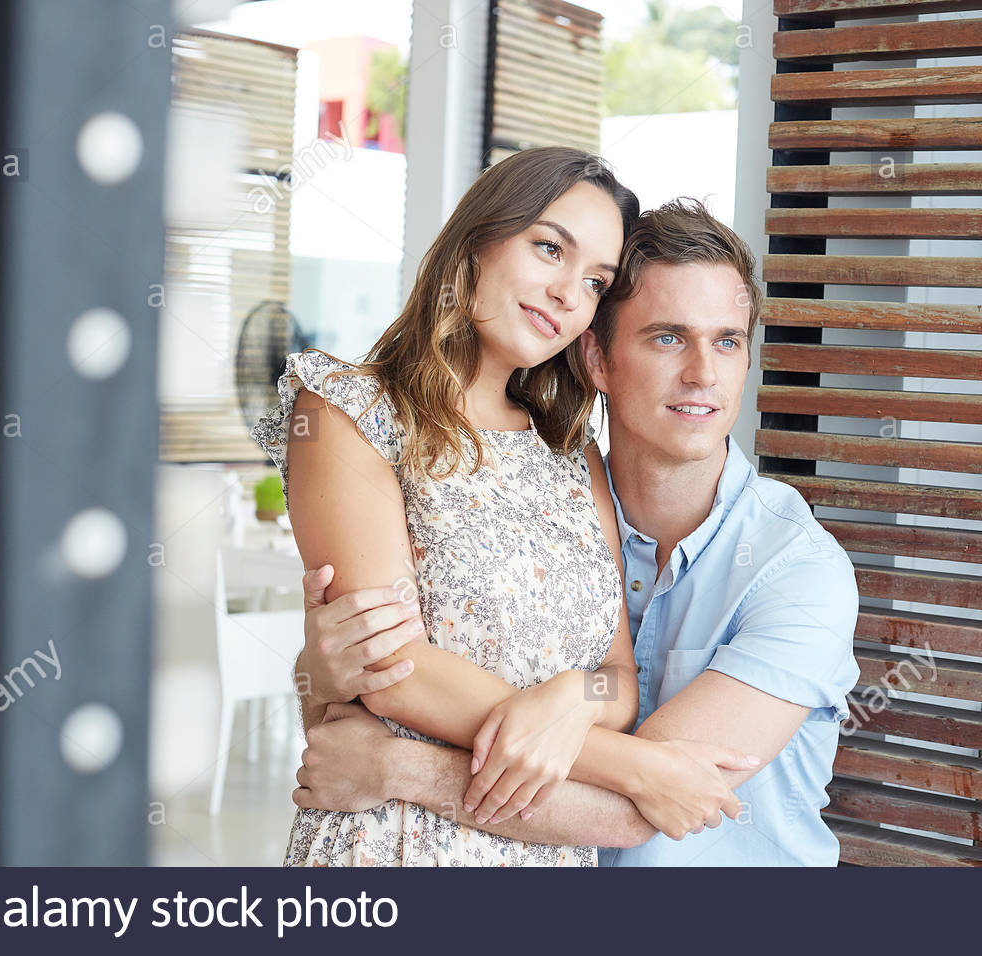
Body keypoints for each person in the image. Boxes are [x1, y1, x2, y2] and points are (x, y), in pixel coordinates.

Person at [294, 199, 862, 866]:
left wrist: (395, 770)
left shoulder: (799, 573)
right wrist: (324, 678)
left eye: (728, 341)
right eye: (668, 337)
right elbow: (400, 687)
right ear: (596, 357)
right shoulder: (548, 508)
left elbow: (631, 810)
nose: (703, 373)